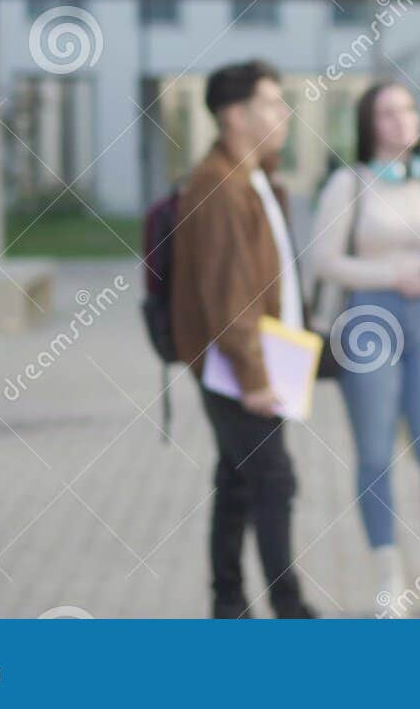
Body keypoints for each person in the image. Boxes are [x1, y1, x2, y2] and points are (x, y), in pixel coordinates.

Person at [309, 80, 420, 617]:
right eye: (387, 113)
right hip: (368, 322)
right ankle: (388, 580)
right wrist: (392, 271)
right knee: (376, 454)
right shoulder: (349, 184)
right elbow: (323, 260)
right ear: (369, 124)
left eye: (408, 109)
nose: (401, 120)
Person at [171, 61, 315, 619]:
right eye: (271, 103)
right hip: (236, 365)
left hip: (260, 355)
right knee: (274, 480)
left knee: (237, 482)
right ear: (234, 114)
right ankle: (289, 608)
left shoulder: (251, 173)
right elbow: (229, 294)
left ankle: (228, 604)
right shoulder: (220, 185)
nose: (284, 113)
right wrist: (255, 379)